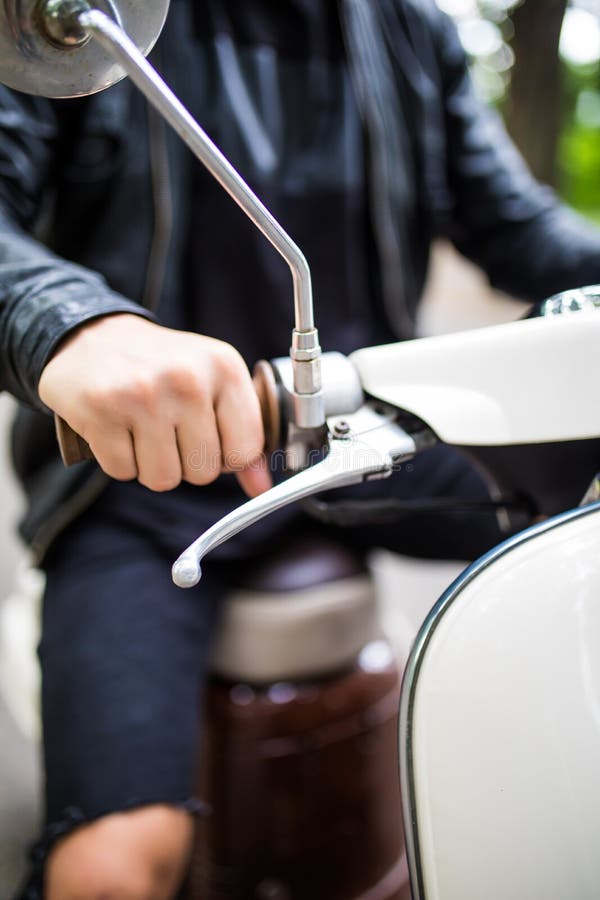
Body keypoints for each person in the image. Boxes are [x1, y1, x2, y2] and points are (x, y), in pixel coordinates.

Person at [2, 0, 600, 897]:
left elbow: (514, 226)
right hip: (147, 484)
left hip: (377, 438)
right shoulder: (85, 15)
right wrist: (71, 322)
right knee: (115, 867)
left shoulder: (413, 30)